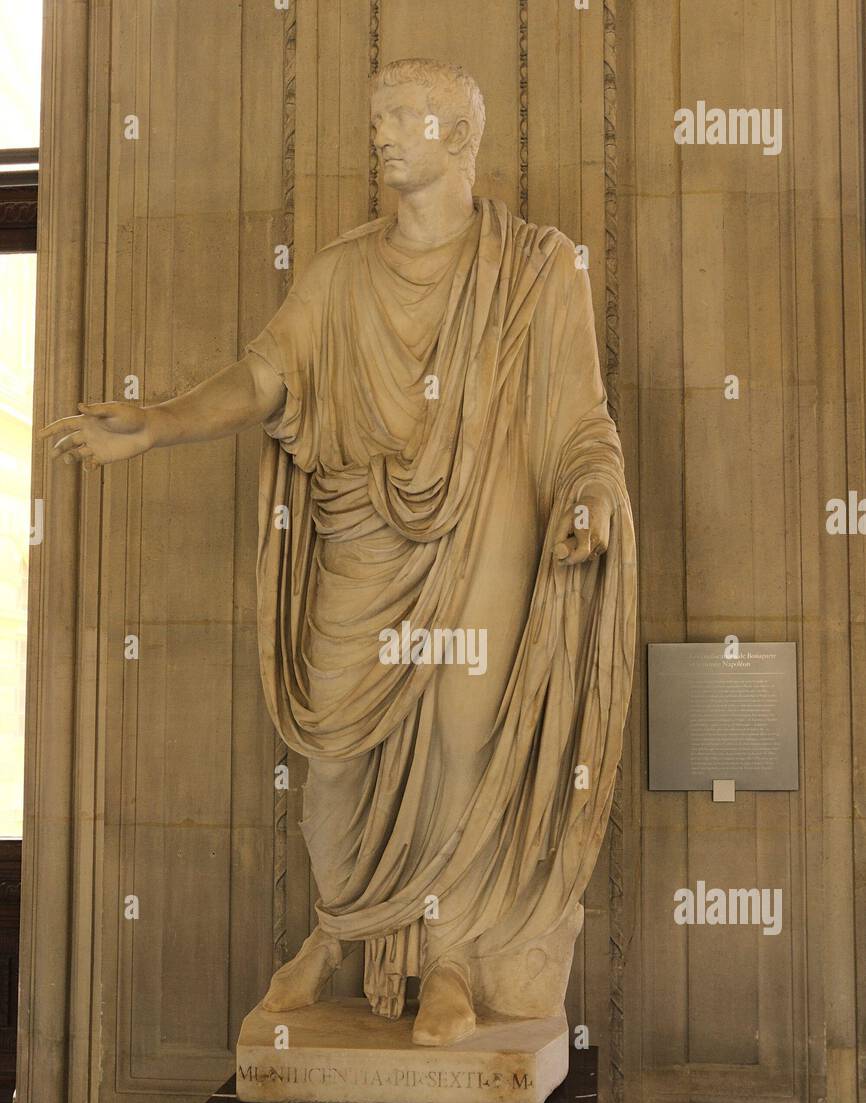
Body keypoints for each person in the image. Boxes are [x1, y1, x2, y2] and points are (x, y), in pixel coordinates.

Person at [41, 59, 636, 1047]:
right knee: (329, 754)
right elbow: (264, 380)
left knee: (461, 740)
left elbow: (582, 414)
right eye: (377, 120)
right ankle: (336, 933)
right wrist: (156, 421)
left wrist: (586, 495)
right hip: (360, 535)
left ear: (458, 136)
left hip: (484, 528)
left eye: (404, 119)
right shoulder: (340, 270)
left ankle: (450, 957)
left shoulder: (537, 268)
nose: (382, 137)